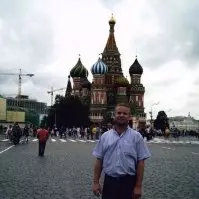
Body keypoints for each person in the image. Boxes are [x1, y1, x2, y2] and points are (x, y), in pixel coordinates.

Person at [92, 103, 151, 199]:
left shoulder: (136, 137)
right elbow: (99, 161)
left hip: (129, 183)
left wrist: (138, 186)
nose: (121, 115)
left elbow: (141, 162)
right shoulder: (105, 136)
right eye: (119, 113)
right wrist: (95, 182)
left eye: (125, 113)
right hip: (109, 182)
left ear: (129, 117)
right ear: (114, 115)